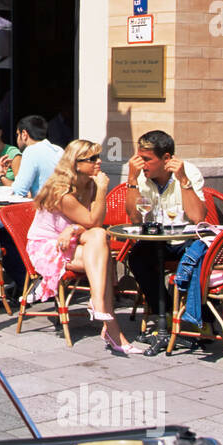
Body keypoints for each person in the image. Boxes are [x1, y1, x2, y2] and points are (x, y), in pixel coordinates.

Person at [27, 140, 145, 354]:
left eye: (98, 157)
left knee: (99, 240)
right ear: (76, 163)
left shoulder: (88, 183)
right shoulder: (61, 192)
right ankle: (110, 326)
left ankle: (101, 309)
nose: (98, 162)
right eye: (92, 159)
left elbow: (93, 226)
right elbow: (93, 221)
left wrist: (72, 228)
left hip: (73, 241)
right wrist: (102, 190)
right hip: (48, 246)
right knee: (101, 253)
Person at [125, 130, 206, 324]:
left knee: (196, 256)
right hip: (156, 240)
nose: (141, 164)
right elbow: (135, 218)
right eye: (139, 158)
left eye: (146, 159)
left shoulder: (189, 172)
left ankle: (196, 318)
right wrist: (132, 181)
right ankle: (167, 313)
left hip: (185, 241)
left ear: (166, 158)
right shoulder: (140, 177)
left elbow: (198, 217)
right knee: (137, 257)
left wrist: (184, 180)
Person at [11, 115, 64, 198]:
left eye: (18, 134)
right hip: (63, 205)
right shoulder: (59, 150)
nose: (17, 139)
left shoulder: (31, 151)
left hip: (44, 208)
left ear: (24, 134)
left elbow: (19, 190)